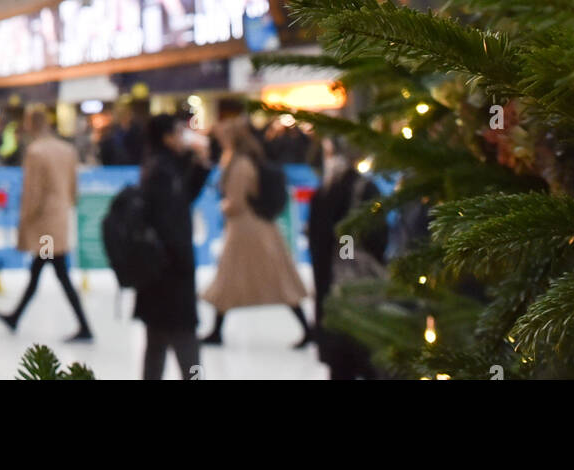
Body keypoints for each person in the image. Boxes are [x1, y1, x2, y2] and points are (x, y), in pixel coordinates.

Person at [200, 117, 311, 347]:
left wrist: (223, 206)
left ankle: (216, 331)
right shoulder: (245, 160)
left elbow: (236, 201)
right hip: (254, 228)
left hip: (246, 229)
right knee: (272, 280)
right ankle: (217, 330)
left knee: (234, 279)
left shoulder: (239, 164)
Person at [0, 108, 92, 342]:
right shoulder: (67, 150)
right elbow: (73, 188)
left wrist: (24, 221)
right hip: (59, 218)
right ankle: (16, 316)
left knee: (54, 271)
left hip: (43, 223)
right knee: (45, 270)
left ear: (30, 124)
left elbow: (33, 192)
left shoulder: (35, 152)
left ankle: (83, 326)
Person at [135, 113, 210, 380]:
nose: (183, 137)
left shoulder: (163, 166)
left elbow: (181, 201)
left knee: (157, 340)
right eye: (179, 132)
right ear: (167, 137)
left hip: (159, 272)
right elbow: (170, 220)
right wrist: (184, 263)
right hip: (169, 273)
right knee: (182, 337)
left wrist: (199, 168)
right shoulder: (162, 171)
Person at [306, 138, 387, 380]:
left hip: (331, 291)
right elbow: (377, 237)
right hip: (362, 293)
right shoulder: (365, 188)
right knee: (369, 360)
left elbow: (317, 241)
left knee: (339, 367)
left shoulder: (324, 190)